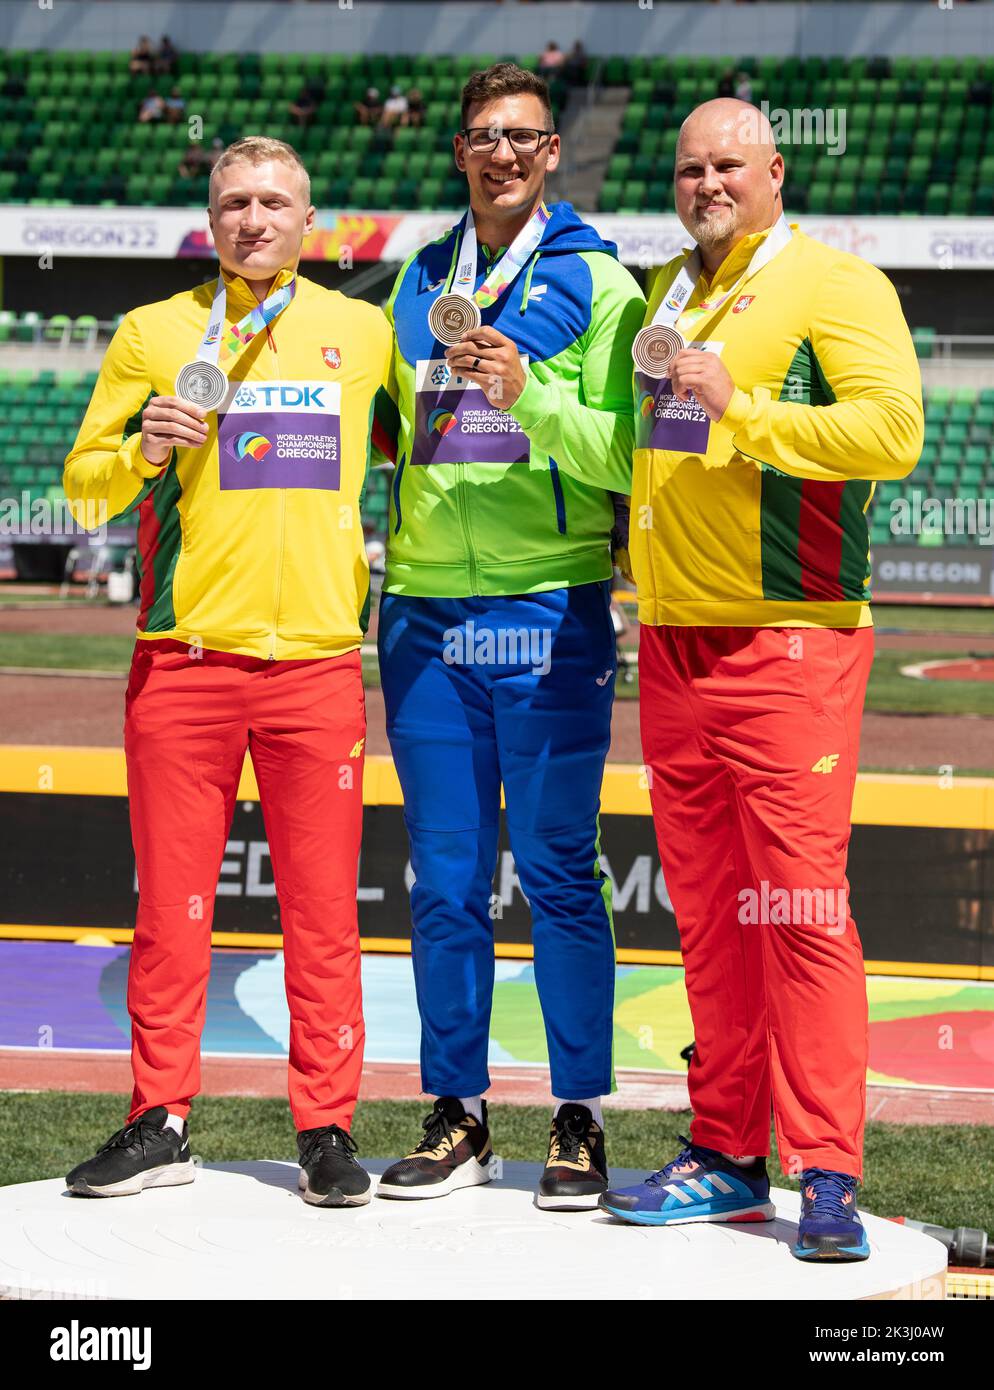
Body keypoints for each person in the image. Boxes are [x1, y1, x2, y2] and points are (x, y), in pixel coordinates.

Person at [599, 99, 923, 1261]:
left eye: (728, 164)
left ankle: (826, 1168)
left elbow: (892, 433)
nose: (706, 184)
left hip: (789, 638)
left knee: (797, 908)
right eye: (689, 169)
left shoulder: (837, 284)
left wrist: (749, 412)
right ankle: (725, 1151)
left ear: (775, 170)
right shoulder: (663, 296)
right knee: (711, 918)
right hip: (676, 645)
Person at [62, 137, 391, 1210]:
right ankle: (159, 1118)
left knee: (322, 913)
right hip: (184, 665)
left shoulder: (362, 331)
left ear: (310, 221)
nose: (254, 219)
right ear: (211, 222)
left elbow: (417, 453)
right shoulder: (152, 333)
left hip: (316, 670)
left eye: (274, 202)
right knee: (172, 908)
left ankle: (327, 1128)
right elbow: (80, 492)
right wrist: (141, 450)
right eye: (235, 202)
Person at [371, 63, 645, 1210]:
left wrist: (527, 394)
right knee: (442, 880)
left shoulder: (602, 282)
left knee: (557, 874)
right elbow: (379, 432)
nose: (502, 153)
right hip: (426, 612)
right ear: (460, 153)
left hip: (547, 609)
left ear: (551, 155)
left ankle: (578, 1115)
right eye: (483, 135)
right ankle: (457, 1110)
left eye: (523, 137)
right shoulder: (414, 278)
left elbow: (625, 457)